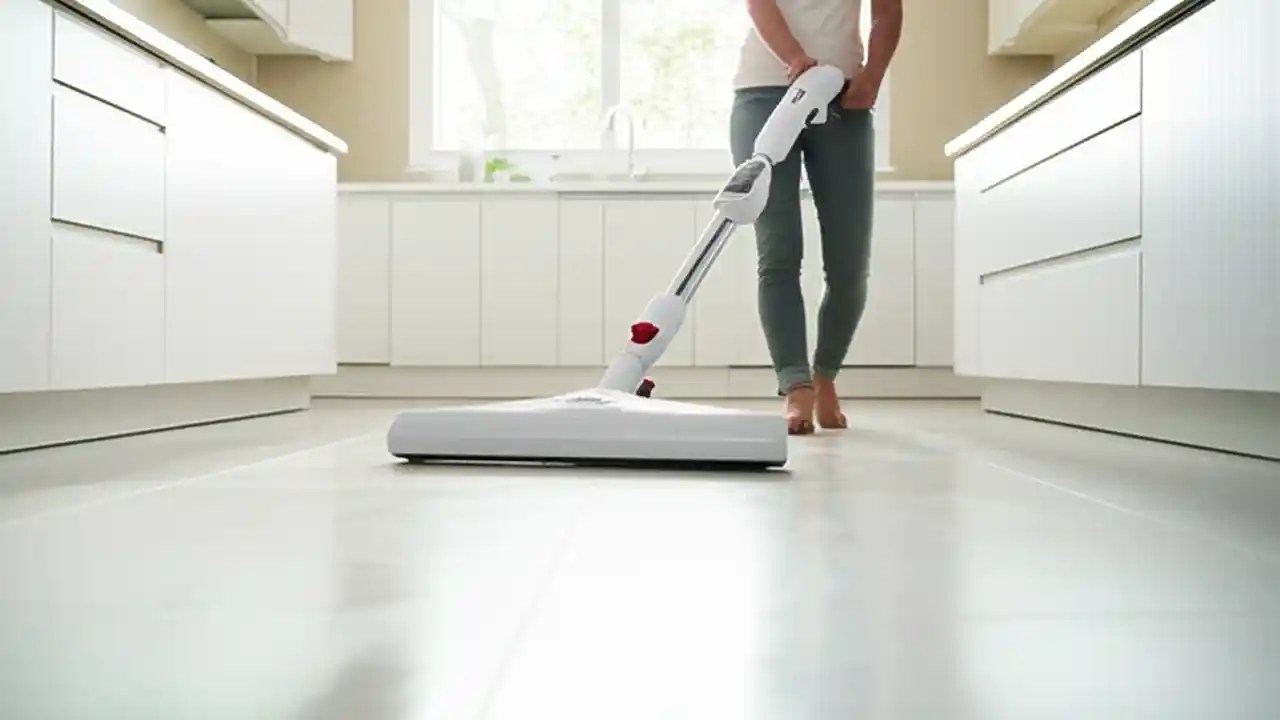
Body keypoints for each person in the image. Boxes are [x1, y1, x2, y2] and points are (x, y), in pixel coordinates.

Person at [732, 0, 903, 435]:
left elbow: (887, 12)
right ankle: (796, 386)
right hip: (765, 91)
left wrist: (872, 77)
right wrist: (794, 57)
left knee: (849, 264)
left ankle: (825, 374)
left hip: (845, 96)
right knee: (779, 254)